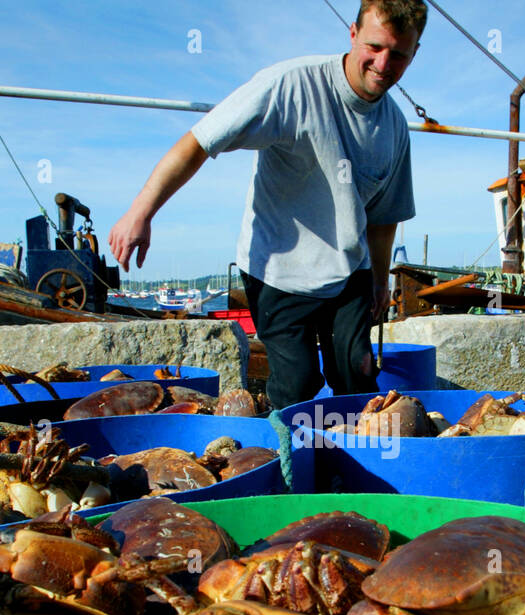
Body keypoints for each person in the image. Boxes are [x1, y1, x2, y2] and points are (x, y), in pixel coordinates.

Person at [108, 1, 426, 410]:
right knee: (296, 383)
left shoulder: (395, 127)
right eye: (375, 47)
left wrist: (381, 282)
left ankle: (351, 467)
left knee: (359, 374)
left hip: (349, 270)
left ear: (414, 53)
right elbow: (199, 143)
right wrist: (141, 211)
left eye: (398, 54)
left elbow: (383, 219)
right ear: (352, 33)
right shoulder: (290, 86)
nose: (383, 64)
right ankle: (287, 463)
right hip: (278, 267)